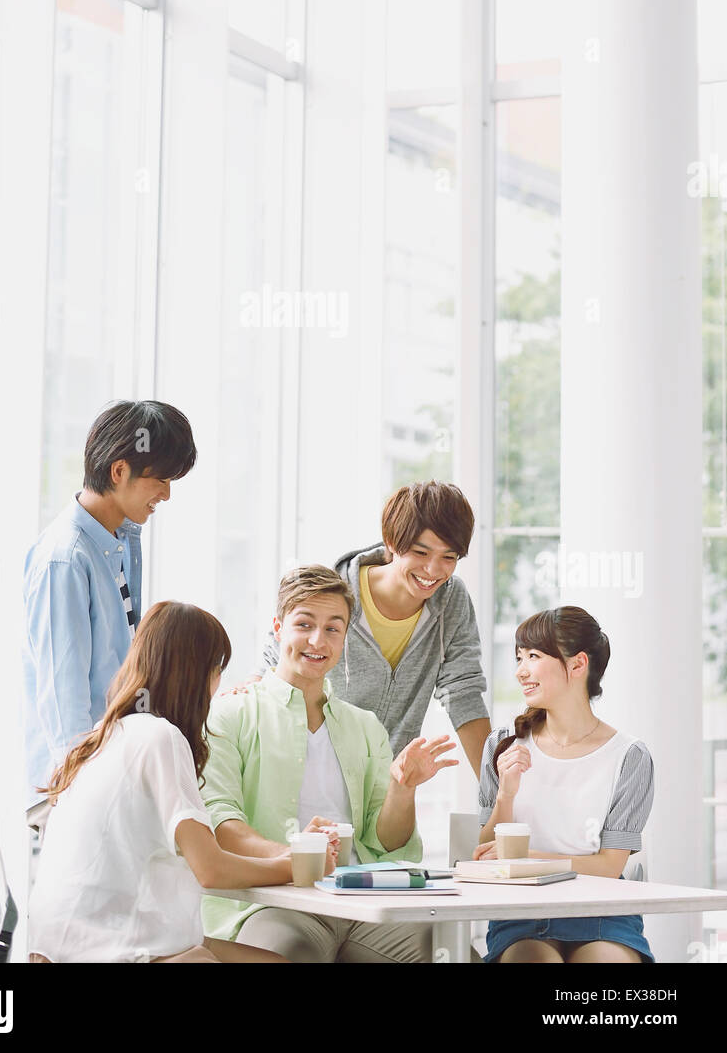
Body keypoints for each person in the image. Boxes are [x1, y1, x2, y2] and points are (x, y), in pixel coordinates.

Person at [202, 564, 458, 963]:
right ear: (278, 628)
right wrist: (299, 857)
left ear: (344, 638)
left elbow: (386, 843)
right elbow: (221, 823)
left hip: (360, 906)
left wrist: (402, 788)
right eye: (304, 624)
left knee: (451, 952)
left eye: (333, 629)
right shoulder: (228, 715)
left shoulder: (365, 726)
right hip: (272, 903)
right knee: (286, 953)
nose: (317, 640)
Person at [27, 601, 297, 963]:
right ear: (197, 674)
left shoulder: (102, 737)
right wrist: (294, 866)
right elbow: (211, 869)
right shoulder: (160, 738)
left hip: (63, 949)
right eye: (217, 669)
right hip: (116, 951)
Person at [22, 399, 196, 828]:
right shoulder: (65, 558)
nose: (167, 494)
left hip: (111, 771)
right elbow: (63, 695)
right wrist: (77, 792)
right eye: (161, 479)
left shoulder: (119, 541)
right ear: (119, 471)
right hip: (77, 786)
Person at [253, 482, 491, 776]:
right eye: (420, 552)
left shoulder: (451, 601)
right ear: (391, 542)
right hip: (311, 775)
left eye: (449, 557)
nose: (433, 570)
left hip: (391, 785)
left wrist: (496, 790)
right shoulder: (336, 593)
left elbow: (464, 692)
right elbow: (272, 667)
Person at [476, 606, 655, 964]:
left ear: (577, 665)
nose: (520, 670)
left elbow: (609, 866)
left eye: (533, 656)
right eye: (519, 657)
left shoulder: (629, 756)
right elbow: (484, 853)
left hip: (602, 913)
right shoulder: (503, 744)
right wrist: (506, 796)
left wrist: (525, 859)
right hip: (521, 914)